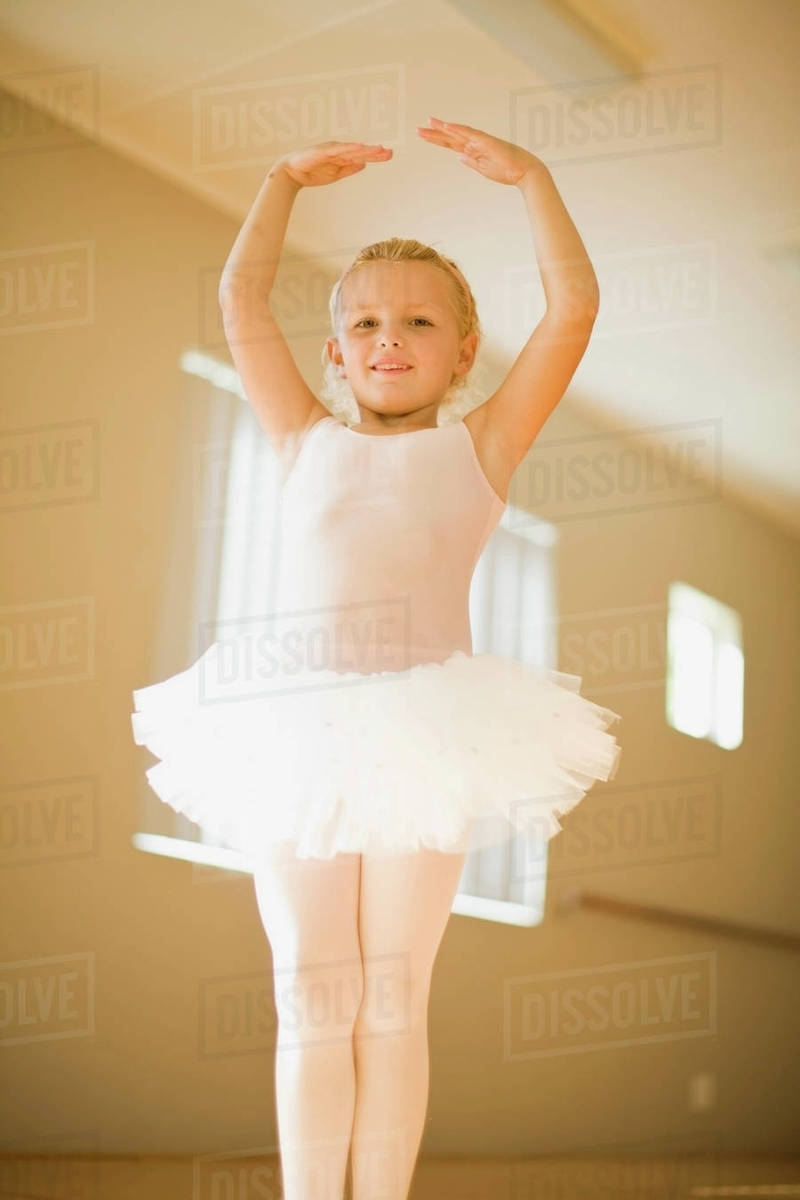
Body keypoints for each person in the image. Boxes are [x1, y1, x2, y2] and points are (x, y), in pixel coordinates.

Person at [131, 117, 622, 1199]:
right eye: (362, 321)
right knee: (312, 987)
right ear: (334, 352)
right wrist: (277, 180)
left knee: (392, 995)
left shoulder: (480, 448)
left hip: (427, 736)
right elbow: (238, 303)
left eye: (416, 320)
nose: (386, 336)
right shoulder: (301, 436)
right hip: (293, 728)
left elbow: (573, 310)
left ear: (460, 351)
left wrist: (533, 177)